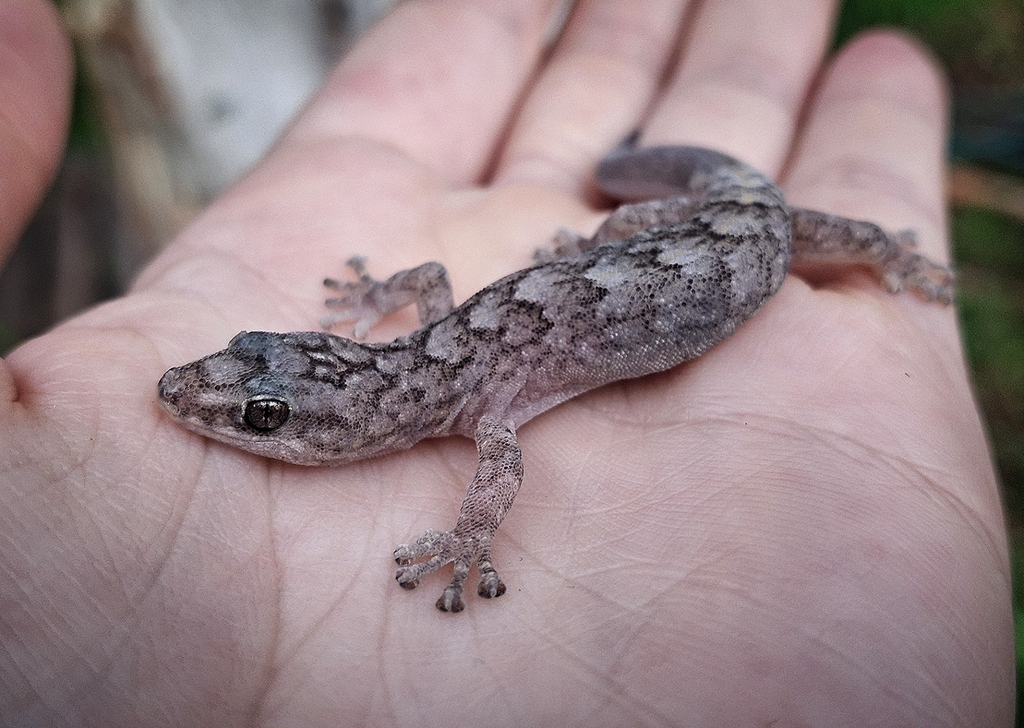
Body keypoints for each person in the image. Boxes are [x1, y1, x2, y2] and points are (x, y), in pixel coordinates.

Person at [0, 0, 1012, 724]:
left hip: (733, 237)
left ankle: (877, 240)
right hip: (676, 234)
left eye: (257, 406)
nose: (203, 393)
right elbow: (442, 294)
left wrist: (469, 536)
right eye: (255, 388)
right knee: (699, 212)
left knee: (768, 225)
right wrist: (388, 300)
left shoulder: (476, 408)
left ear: (346, 423)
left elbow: (496, 441)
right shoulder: (447, 376)